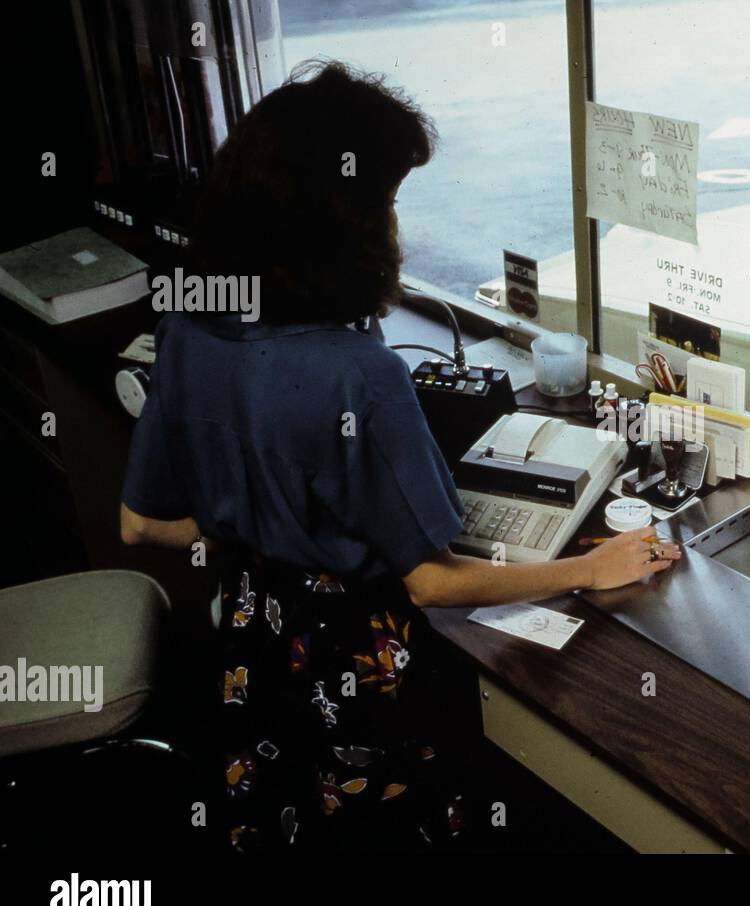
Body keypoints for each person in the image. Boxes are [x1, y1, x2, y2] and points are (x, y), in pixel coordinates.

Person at [117, 61, 680, 852]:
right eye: (384, 203)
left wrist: (262, 531)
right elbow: (436, 580)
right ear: (336, 220)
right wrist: (591, 567)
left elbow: (141, 524)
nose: (393, 230)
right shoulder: (360, 376)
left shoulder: (188, 326)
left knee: (288, 816)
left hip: (255, 643)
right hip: (359, 664)